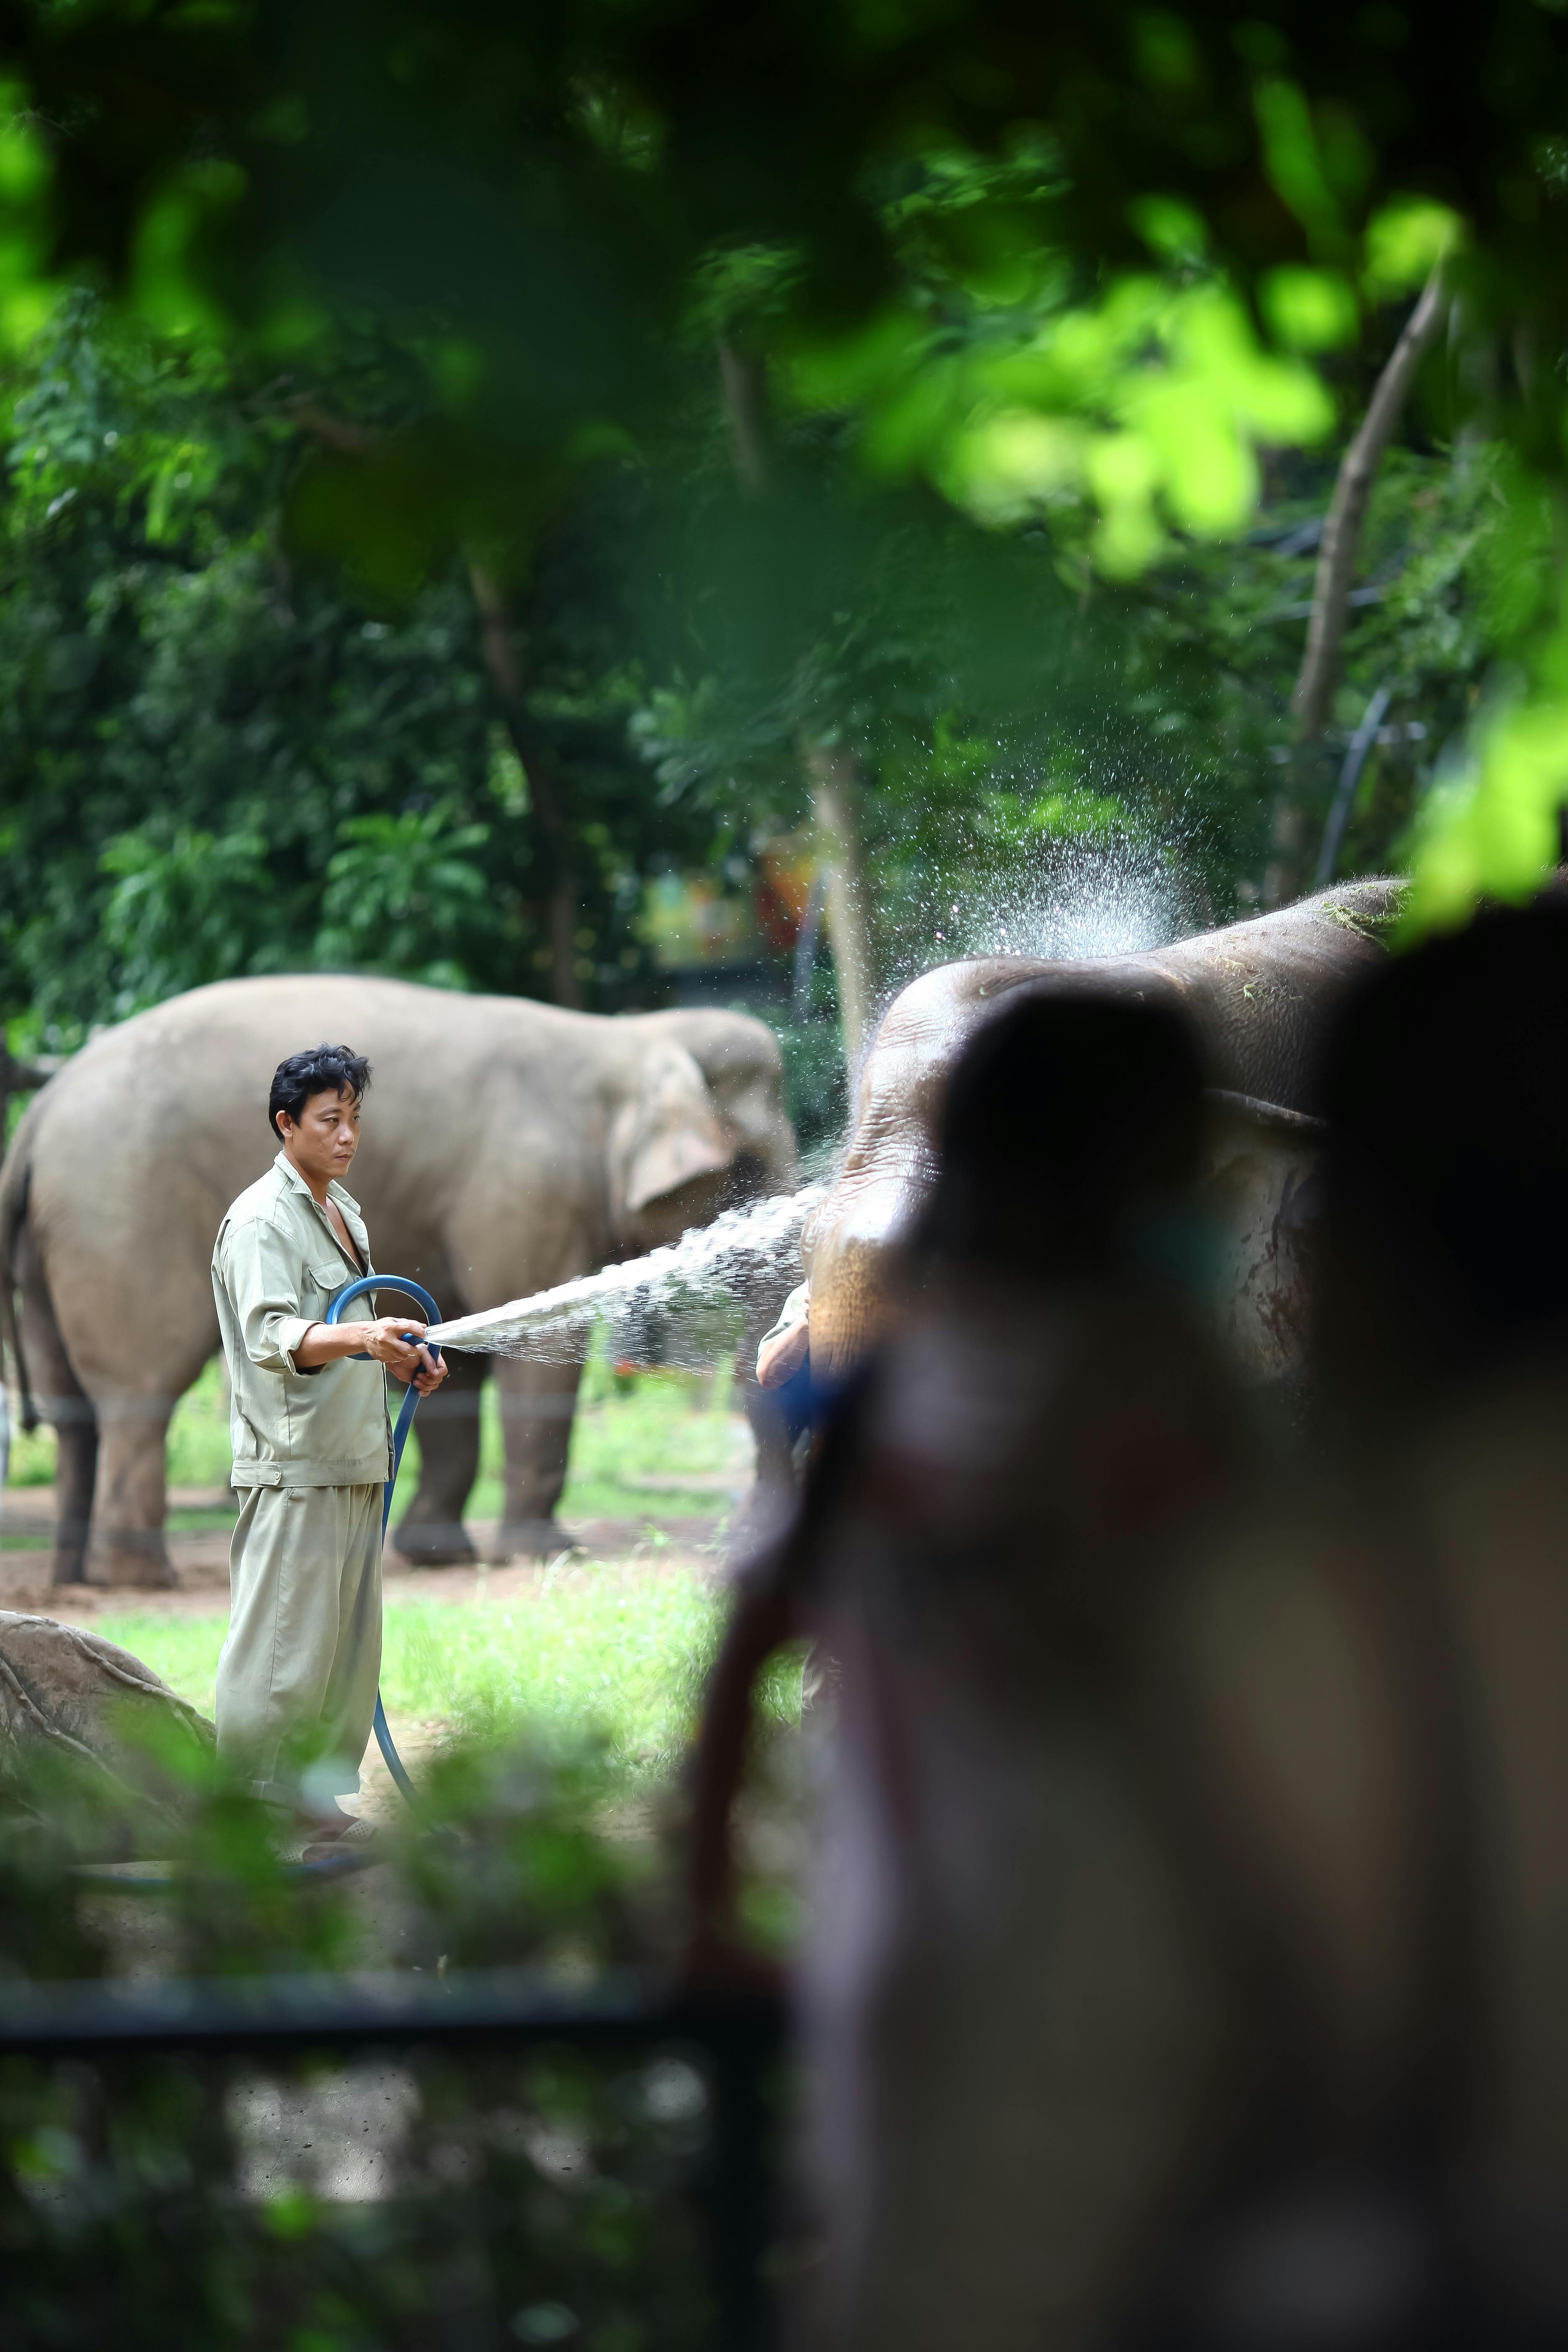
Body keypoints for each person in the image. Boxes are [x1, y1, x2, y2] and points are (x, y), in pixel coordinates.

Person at [211, 1043, 446, 1854]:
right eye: (330, 1121)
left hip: (354, 1458)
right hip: (294, 1466)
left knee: (342, 1652)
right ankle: (249, 1811)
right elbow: (277, 1335)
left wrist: (405, 1355)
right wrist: (362, 1335)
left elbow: (356, 1336)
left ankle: (310, 1800)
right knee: (281, 1648)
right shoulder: (260, 1220)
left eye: (354, 1120)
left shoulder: (345, 1210)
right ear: (287, 1125)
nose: (348, 1136)